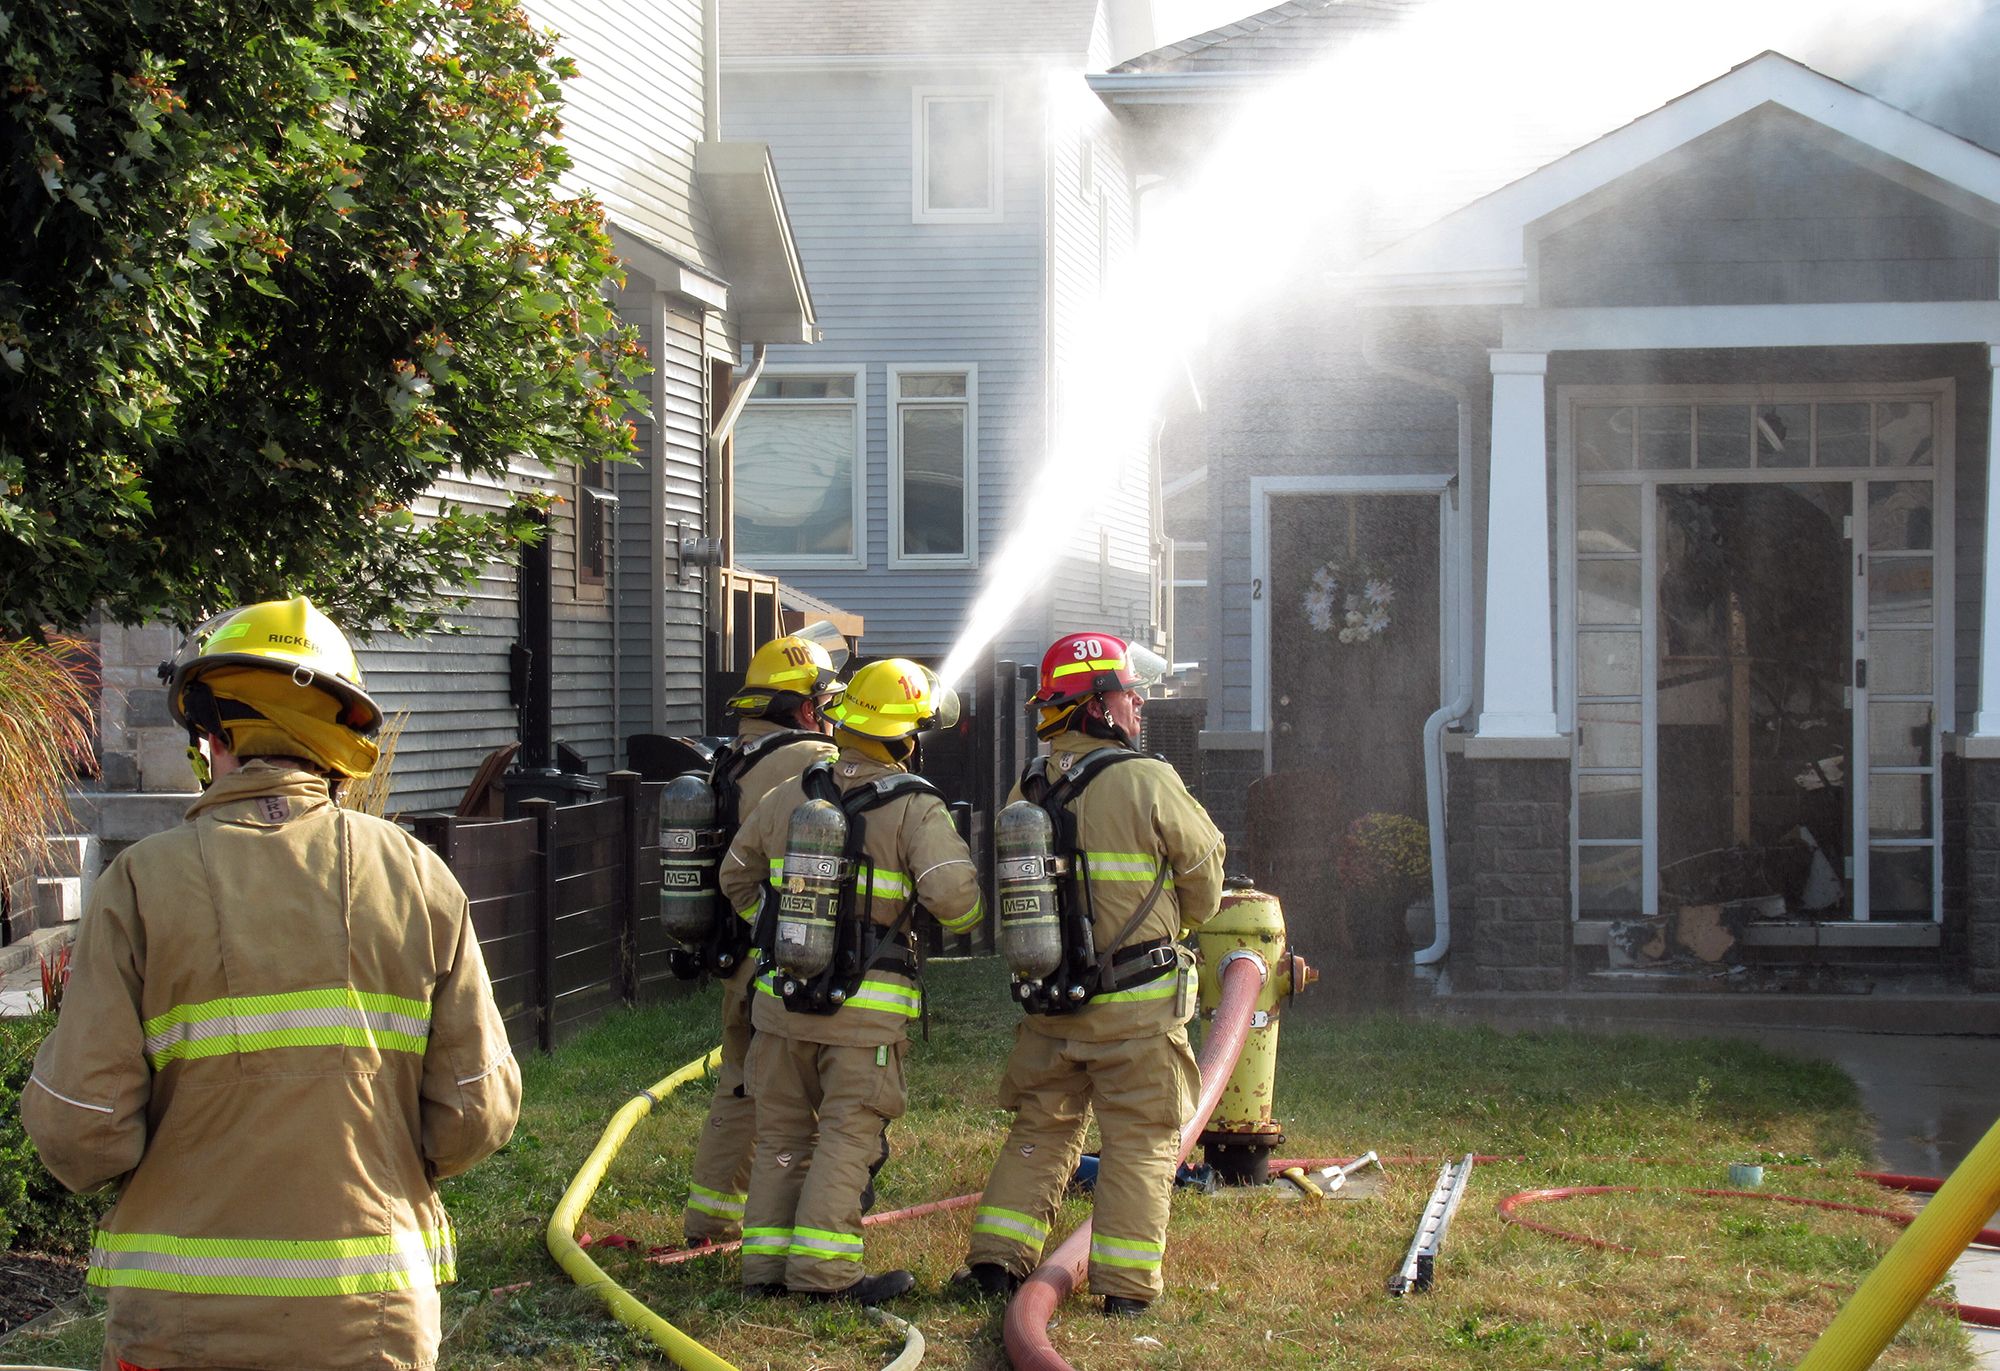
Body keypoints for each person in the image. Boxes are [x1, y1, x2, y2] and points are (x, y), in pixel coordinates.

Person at [23, 595, 521, 1371]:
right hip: (372, 1324)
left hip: (177, 1328)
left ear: (214, 735)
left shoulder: (139, 885)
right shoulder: (419, 877)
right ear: (336, 739)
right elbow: (474, 1113)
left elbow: (83, 1129)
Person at [956, 631, 1224, 1317]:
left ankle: (994, 1263)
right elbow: (1204, 883)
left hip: (1050, 1004)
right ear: (1098, 707)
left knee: (1040, 1129)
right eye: (1128, 693)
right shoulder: (1149, 780)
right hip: (1135, 1009)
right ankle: (1127, 1290)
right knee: (1139, 1137)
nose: (1137, 704)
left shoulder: (1030, 786)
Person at [719, 658, 982, 1304]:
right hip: (863, 1017)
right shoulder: (914, 805)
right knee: (846, 1133)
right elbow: (957, 901)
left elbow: (735, 877)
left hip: (781, 1004)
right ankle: (825, 1275)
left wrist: (778, 932)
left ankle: (765, 1272)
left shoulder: (791, 797)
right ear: (904, 737)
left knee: (781, 1135)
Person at [679, 626, 845, 1246]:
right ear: (806, 708)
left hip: (737, 951)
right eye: (828, 705)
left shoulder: (732, 759)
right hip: (782, 959)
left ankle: (710, 1218)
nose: (834, 718)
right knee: (802, 1102)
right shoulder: (814, 763)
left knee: (740, 1084)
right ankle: (804, 1227)